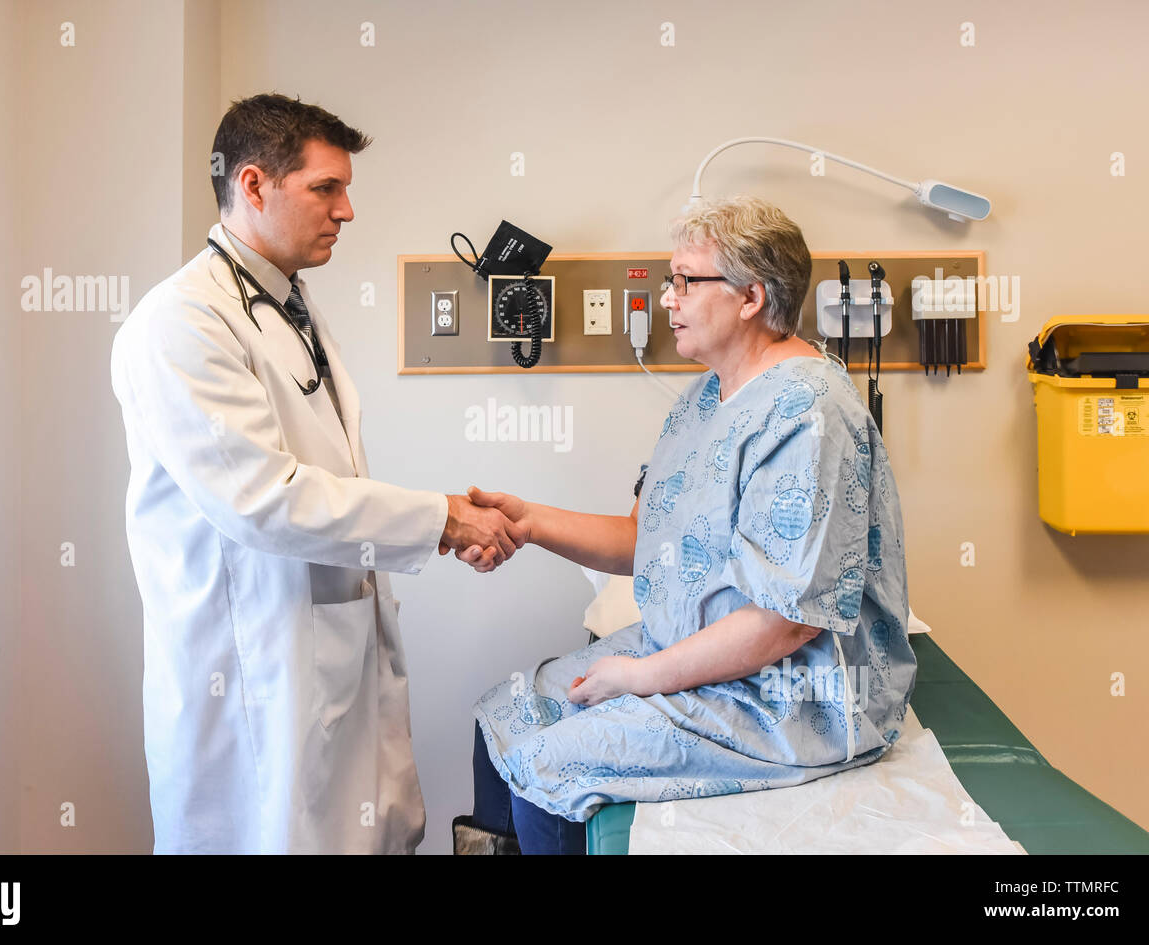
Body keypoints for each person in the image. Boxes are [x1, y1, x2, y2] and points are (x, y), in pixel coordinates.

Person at [110, 93, 524, 854]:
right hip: (250, 677)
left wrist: (441, 520)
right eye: (326, 188)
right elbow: (264, 500)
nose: (348, 210)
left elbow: (324, 483)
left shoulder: (288, 307)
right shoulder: (180, 323)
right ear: (255, 185)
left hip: (324, 653)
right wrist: (442, 519)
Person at [452, 196, 917, 855]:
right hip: (703, 651)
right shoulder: (705, 396)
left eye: (683, 281)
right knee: (506, 708)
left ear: (751, 295)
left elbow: (787, 620)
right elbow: (649, 542)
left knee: (546, 769)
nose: (667, 298)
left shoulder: (809, 413)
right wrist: (528, 522)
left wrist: (639, 677)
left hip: (790, 689)